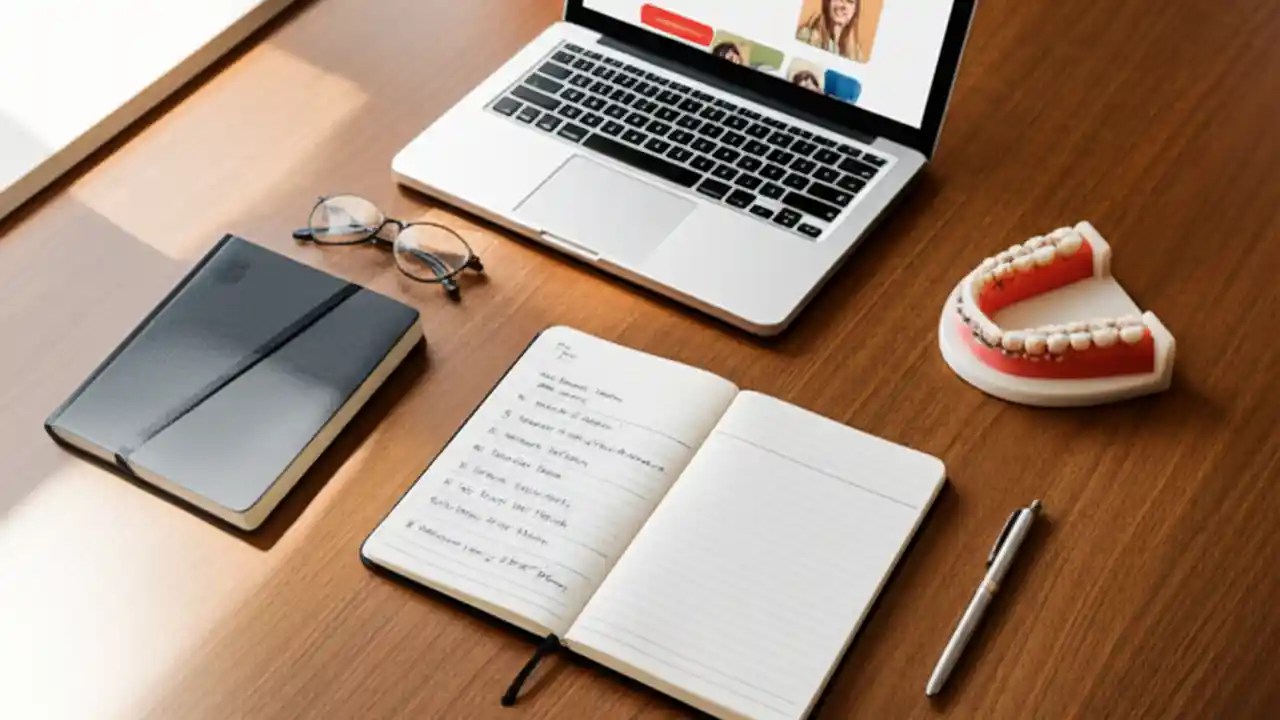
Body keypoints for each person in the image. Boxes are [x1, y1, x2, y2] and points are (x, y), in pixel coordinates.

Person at [796, 0, 864, 62]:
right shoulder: (807, 37)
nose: (844, 6)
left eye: (850, 1)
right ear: (827, 3)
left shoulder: (856, 55)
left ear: (855, 10)